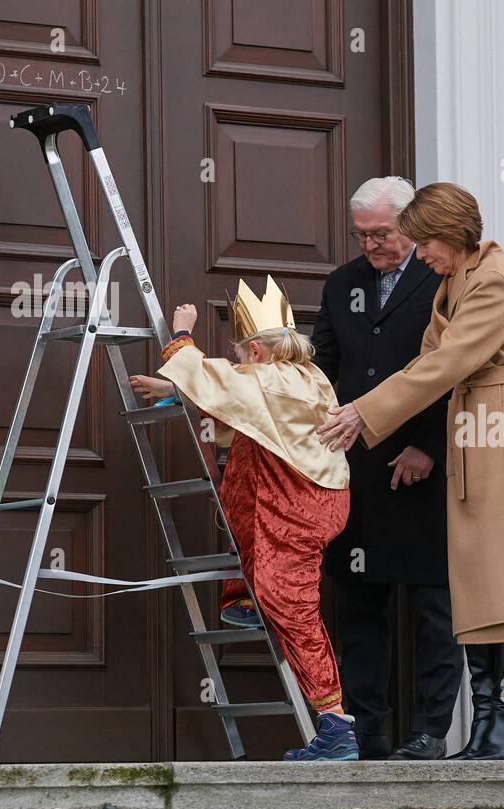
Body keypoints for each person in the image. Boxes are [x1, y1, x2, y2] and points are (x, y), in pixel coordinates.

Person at [316, 182, 504, 760]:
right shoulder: (458, 279)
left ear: (448, 235)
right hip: (474, 422)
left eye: (422, 241)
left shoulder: (493, 279)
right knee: (481, 576)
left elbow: (446, 363)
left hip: (503, 423)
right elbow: (428, 361)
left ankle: (502, 724)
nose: (418, 253)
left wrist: (365, 412)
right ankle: (492, 727)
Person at [134, 276, 356, 760]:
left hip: (299, 505)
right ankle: (245, 599)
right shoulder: (303, 377)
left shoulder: (271, 378)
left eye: (239, 353)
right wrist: (176, 392)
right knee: (242, 502)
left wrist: (182, 336)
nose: (236, 360)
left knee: (292, 606)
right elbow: (246, 412)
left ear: (255, 352)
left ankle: (336, 725)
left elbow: (227, 386)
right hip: (292, 495)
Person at [310, 176, 463, 761]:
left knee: (434, 607)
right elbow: (325, 364)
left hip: (423, 469)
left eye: (383, 234)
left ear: (412, 226)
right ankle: (366, 732)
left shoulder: (442, 279)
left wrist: (428, 445)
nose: (371, 245)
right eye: (362, 236)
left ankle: (430, 731)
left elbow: (454, 370)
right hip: (357, 471)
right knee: (359, 607)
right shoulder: (342, 283)